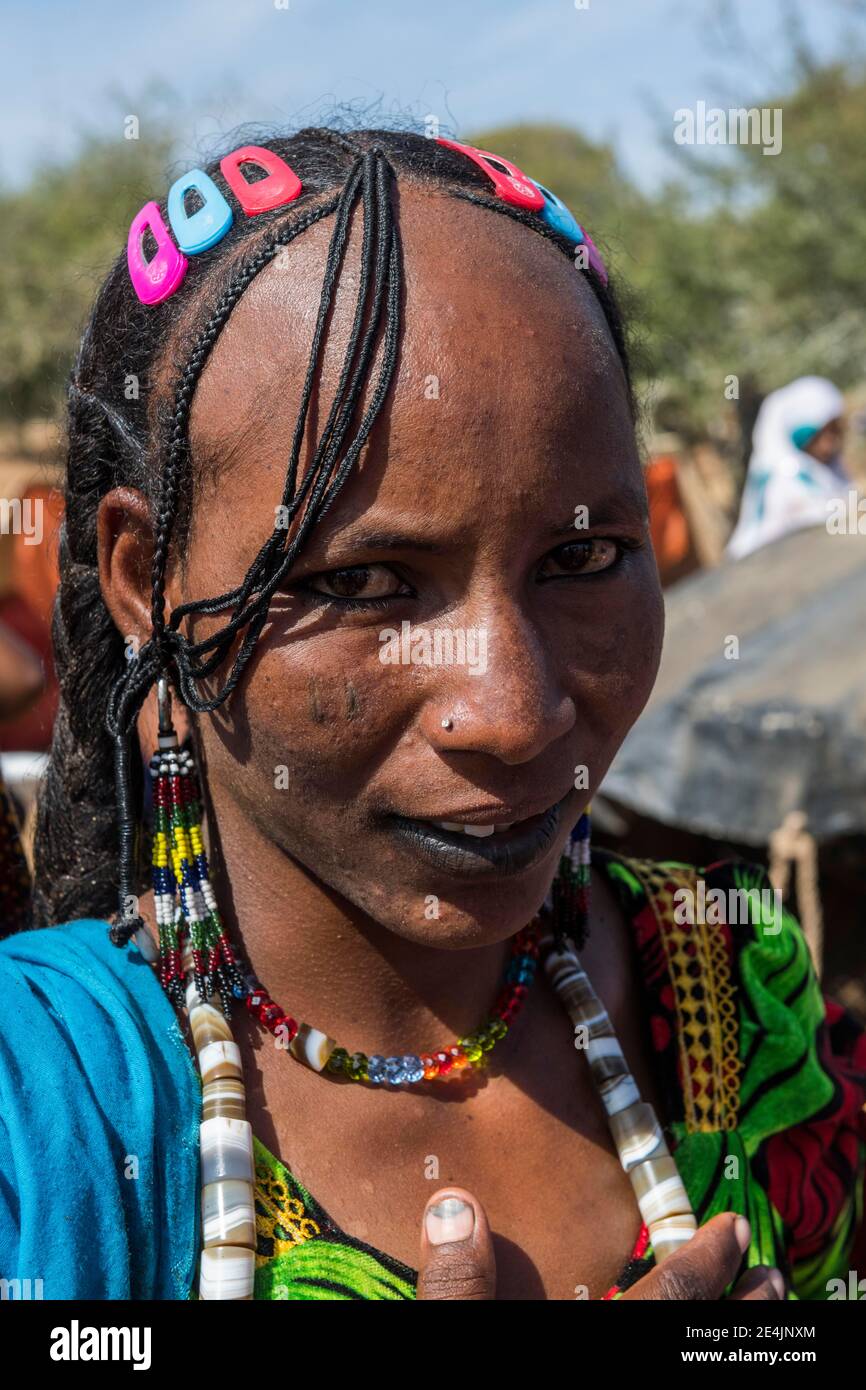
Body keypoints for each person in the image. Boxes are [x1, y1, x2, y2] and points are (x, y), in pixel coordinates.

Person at [0, 128, 863, 1302]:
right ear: (146, 580)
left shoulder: (734, 975)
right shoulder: (38, 1108)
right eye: (361, 582)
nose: (514, 712)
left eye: (583, 554)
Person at [725, 375, 851, 560]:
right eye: (819, 435)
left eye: (834, 430)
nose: (829, 443)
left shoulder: (825, 472)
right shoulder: (785, 480)